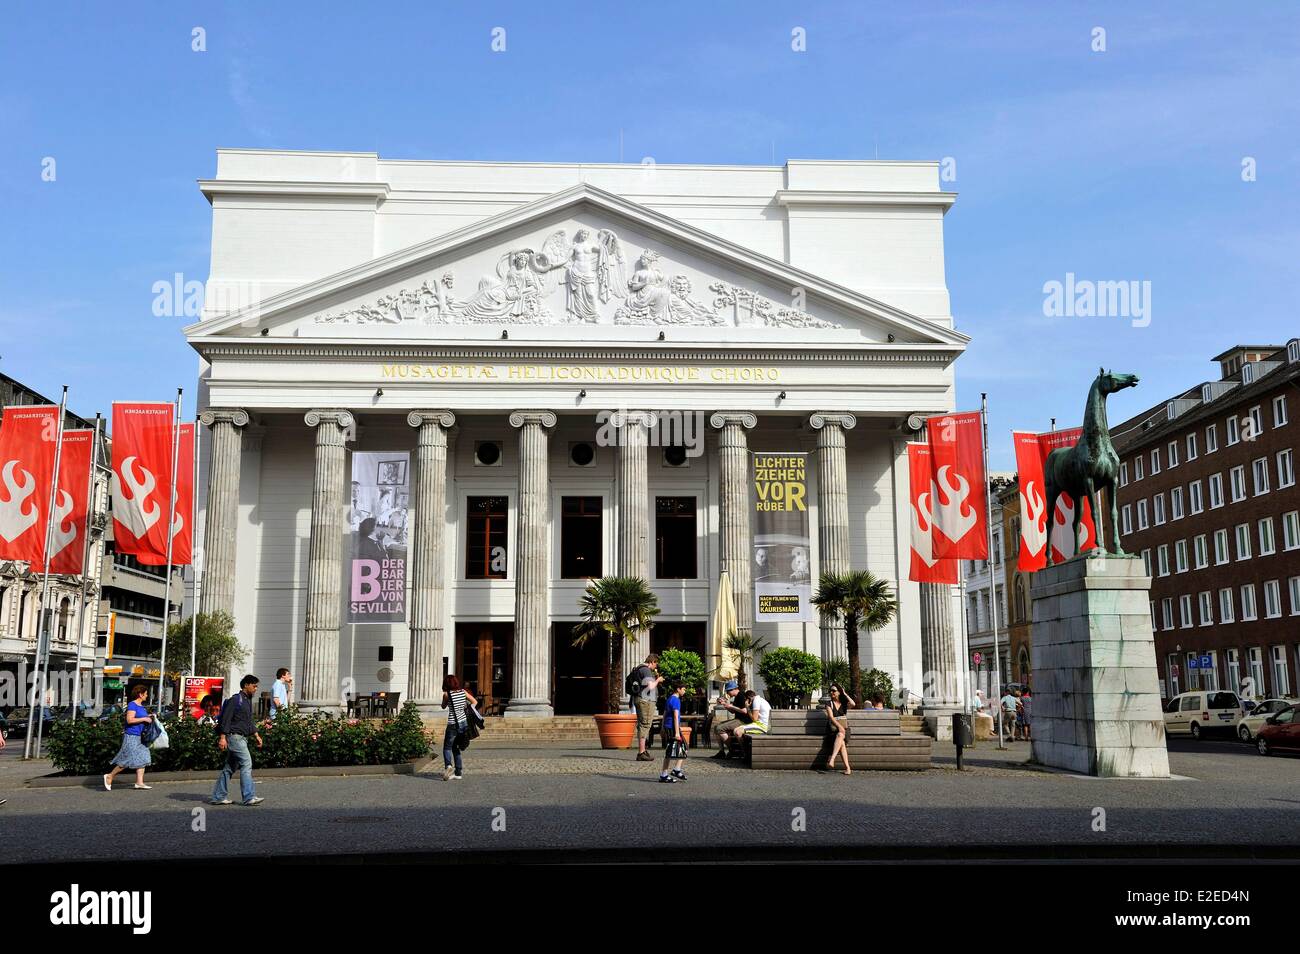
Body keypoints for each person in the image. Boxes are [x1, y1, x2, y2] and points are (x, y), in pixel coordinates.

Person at [211, 675, 265, 806]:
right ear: (246, 685)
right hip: (235, 737)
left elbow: (248, 721)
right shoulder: (235, 700)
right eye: (254, 686)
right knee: (246, 764)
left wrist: (256, 735)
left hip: (242, 738)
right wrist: (222, 738)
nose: (256, 689)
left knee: (229, 768)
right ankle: (248, 797)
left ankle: (218, 797)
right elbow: (226, 719)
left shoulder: (247, 701)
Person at [104, 683, 154, 792]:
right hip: (131, 736)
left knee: (144, 757)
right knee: (126, 759)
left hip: (140, 737)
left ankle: (139, 783)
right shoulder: (132, 705)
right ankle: (110, 776)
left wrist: (149, 717)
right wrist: (144, 719)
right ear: (140, 694)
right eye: (146, 694)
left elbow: (141, 718)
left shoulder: (141, 706)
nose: (147, 696)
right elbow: (130, 720)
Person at [440, 675, 478, 781]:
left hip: (452, 724)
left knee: (447, 747)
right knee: (456, 747)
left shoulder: (447, 694)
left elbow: (443, 706)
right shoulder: (463, 692)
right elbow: (474, 702)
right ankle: (458, 773)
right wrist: (467, 707)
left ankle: (448, 765)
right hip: (463, 723)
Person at [630, 653, 662, 762]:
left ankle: (642, 751)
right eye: (656, 664)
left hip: (640, 699)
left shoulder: (639, 668)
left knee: (642, 725)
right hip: (646, 701)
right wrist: (658, 680)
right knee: (645, 725)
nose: (656, 667)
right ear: (652, 662)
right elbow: (651, 686)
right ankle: (641, 752)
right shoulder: (646, 670)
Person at [712, 680, 752, 757]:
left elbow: (744, 711)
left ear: (734, 689)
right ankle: (721, 752)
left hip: (743, 721)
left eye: (728, 691)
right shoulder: (737, 697)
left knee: (719, 728)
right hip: (738, 719)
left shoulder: (741, 695)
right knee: (716, 727)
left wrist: (731, 706)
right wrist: (725, 705)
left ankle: (732, 750)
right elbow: (733, 711)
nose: (727, 693)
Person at [660, 682, 688, 783]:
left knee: (682, 748)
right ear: (678, 689)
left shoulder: (669, 699)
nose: (684, 691)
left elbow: (664, 714)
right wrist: (677, 732)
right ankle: (665, 774)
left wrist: (662, 728)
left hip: (668, 727)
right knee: (675, 750)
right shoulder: (676, 700)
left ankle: (676, 769)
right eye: (683, 689)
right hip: (672, 728)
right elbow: (676, 716)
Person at [824, 683, 855, 775]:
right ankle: (847, 768)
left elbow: (853, 704)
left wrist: (845, 694)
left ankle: (832, 759)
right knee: (841, 740)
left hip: (844, 729)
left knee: (841, 736)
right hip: (833, 730)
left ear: (839, 692)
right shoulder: (828, 703)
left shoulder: (844, 703)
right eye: (830, 691)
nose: (831, 692)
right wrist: (839, 727)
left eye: (834, 690)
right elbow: (831, 717)